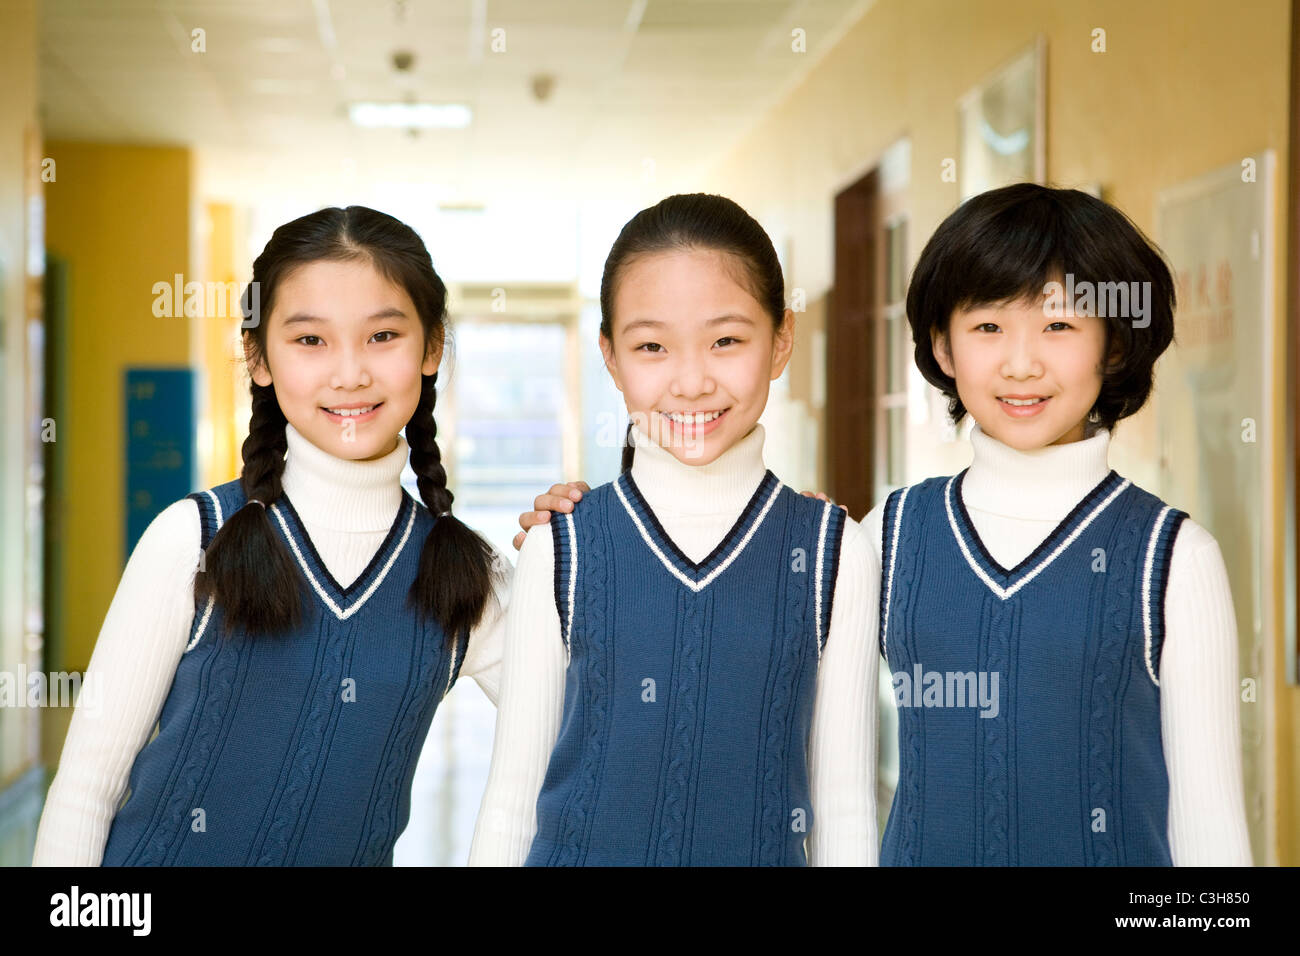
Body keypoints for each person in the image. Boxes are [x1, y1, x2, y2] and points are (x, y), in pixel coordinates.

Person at [520, 183, 1252, 866]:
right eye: (988, 325)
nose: (1021, 363)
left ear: (1115, 345)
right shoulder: (889, 537)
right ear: (942, 347)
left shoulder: (1174, 557)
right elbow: (736, 642)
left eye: (1059, 324)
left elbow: (1211, 829)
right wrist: (579, 548)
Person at [33, 205, 510, 866]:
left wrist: (589, 539)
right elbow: (86, 790)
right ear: (258, 357)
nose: (350, 373)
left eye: (383, 336)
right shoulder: (194, 537)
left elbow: (597, 735)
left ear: (431, 347)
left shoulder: (469, 575)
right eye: (310, 340)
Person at [469, 193, 878, 866]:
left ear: (781, 341)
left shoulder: (836, 553)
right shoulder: (562, 545)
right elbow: (513, 802)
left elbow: (844, 815)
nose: (691, 382)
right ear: (610, 356)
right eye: (652, 346)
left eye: (726, 340)